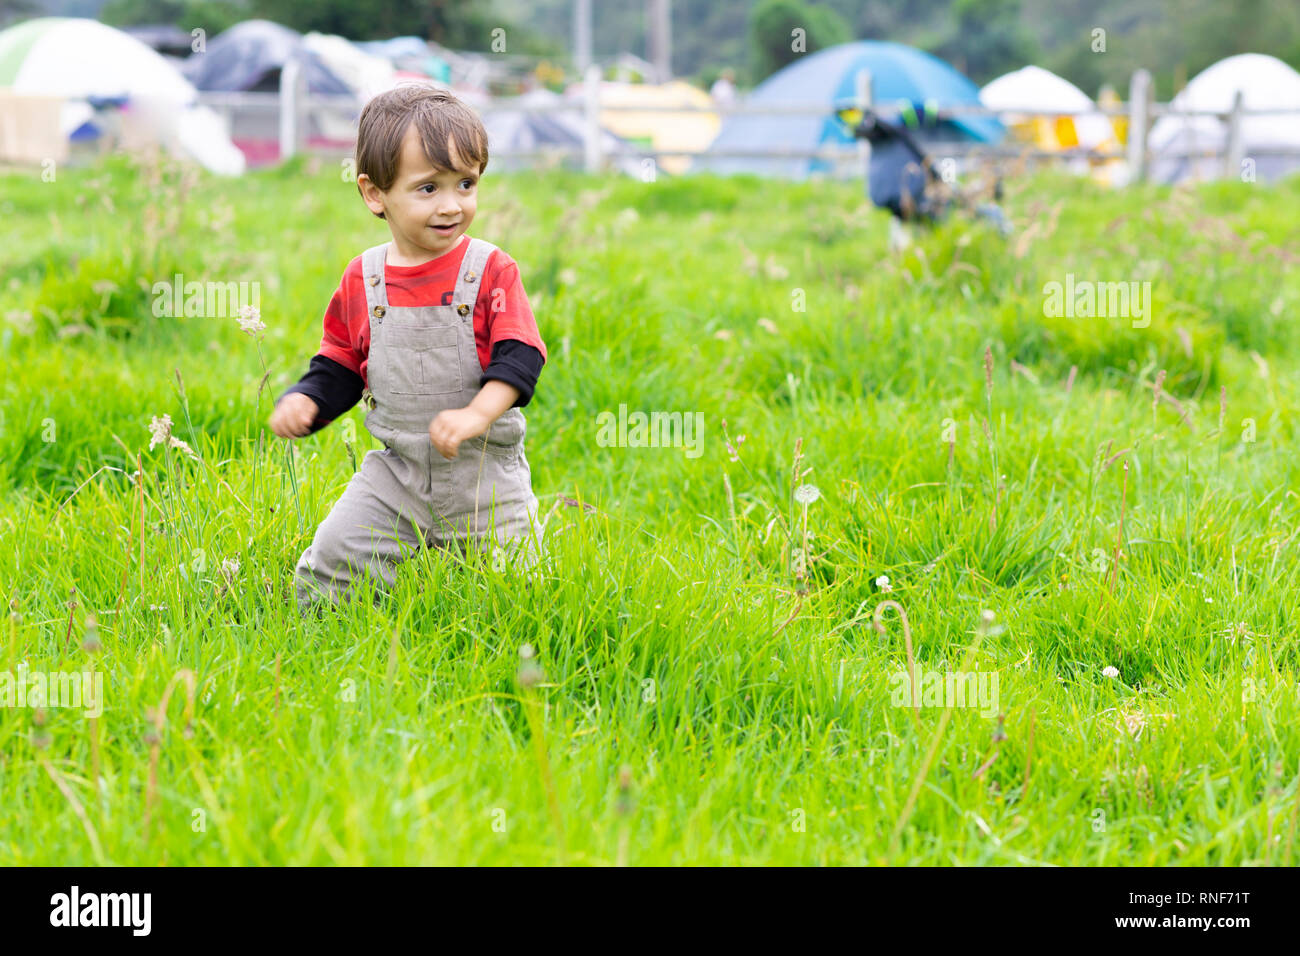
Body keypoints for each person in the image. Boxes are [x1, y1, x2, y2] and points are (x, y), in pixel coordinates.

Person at [269, 83, 548, 613]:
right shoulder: (365, 278)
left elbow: (520, 358)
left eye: (466, 183)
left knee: (522, 595)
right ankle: (337, 628)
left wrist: (474, 416)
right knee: (331, 563)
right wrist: (307, 400)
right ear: (375, 193)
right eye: (428, 189)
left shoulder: (491, 269)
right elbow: (340, 366)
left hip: (486, 477)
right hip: (396, 475)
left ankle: (481, 610)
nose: (452, 205)